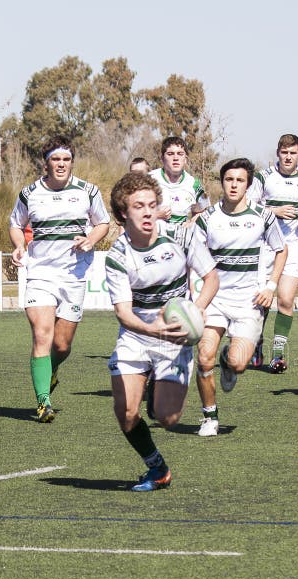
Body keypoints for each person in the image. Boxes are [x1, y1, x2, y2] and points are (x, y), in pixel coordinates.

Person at [106, 172, 219, 491]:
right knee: (126, 413)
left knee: (167, 418)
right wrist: (151, 329)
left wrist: (196, 310)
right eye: (138, 206)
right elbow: (123, 313)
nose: (147, 212)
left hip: (176, 338)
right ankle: (157, 469)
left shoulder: (181, 237)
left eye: (151, 205)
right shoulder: (118, 256)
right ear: (123, 213)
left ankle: (159, 385)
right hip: (138, 335)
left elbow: (211, 278)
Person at [9, 136, 111, 423]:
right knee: (42, 333)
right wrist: (19, 246)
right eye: (56, 159)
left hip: (73, 275)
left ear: (72, 162)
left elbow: (103, 223)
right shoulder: (29, 193)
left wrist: (91, 239)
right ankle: (43, 402)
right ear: (46, 163)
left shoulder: (88, 191)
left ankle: (51, 369)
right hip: (40, 273)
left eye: (66, 159)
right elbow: (16, 224)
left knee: (62, 346)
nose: (61, 164)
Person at [193, 158, 287, 437]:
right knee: (204, 356)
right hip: (215, 299)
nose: (234, 185)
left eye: (240, 180)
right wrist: (197, 301)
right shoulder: (207, 219)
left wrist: (270, 286)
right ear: (222, 182)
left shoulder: (263, 216)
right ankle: (209, 416)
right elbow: (193, 259)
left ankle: (228, 362)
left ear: (248, 185)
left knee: (238, 363)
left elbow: (281, 250)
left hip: (249, 302)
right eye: (229, 179)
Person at [247, 133, 298, 372]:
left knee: (286, 300)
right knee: (261, 301)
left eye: (292, 153)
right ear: (278, 153)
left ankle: (277, 355)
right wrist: (275, 211)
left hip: (293, 245)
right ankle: (256, 345)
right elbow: (249, 205)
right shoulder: (264, 177)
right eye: (284, 153)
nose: (288, 157)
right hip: (266, 246)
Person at [149, 136, 210, 251]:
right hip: (153, 245)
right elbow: (133, 212)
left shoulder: (194, 184)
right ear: (162, 158)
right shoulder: (149, 179)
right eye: (170, 154)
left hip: (181, 247)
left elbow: (203, 212)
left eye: (180, 154)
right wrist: (156, 215)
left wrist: (192, 222)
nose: (176, 158)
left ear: (185, 159)